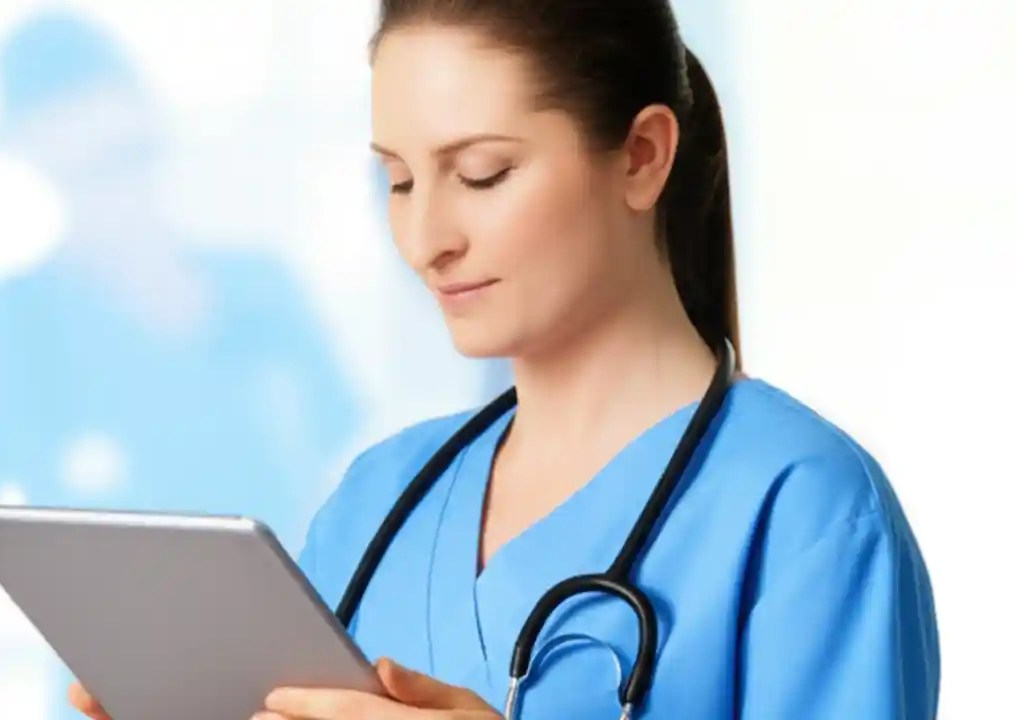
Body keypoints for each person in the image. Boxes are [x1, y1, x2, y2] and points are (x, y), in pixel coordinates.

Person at [70, 1, 939, 717]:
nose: (425, 240)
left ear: (642, 157)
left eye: (482, 174)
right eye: (399, 181)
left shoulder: (804, 511)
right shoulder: (378, 503)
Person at [0, 10, 359, 720]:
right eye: (92, 164)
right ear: (32, 148)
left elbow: (349, 515)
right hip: (110, 703)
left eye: (128, 154)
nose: (119, 183)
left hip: (297, 698)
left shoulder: (264, 295)